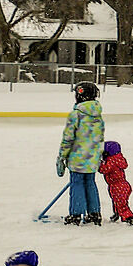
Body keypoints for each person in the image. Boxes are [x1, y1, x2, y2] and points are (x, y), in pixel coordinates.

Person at [56, 81, 105, 225]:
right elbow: (99, 137)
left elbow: (68, 138)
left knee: (76, 183)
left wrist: (62, 156)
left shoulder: (76, 115)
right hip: (92, 157)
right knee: (90, 183)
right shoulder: (98, 115)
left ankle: (76, 213)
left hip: (77, 158)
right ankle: (94, 212)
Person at [100, 139, 133, 225]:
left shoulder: (111, 161)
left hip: (118, 186)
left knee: (121, 204)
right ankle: (117, 213)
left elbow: (104, 169)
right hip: (121, 185)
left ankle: (129, 217)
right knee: (117, 201)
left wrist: (99, 164)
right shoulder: (118, 159)